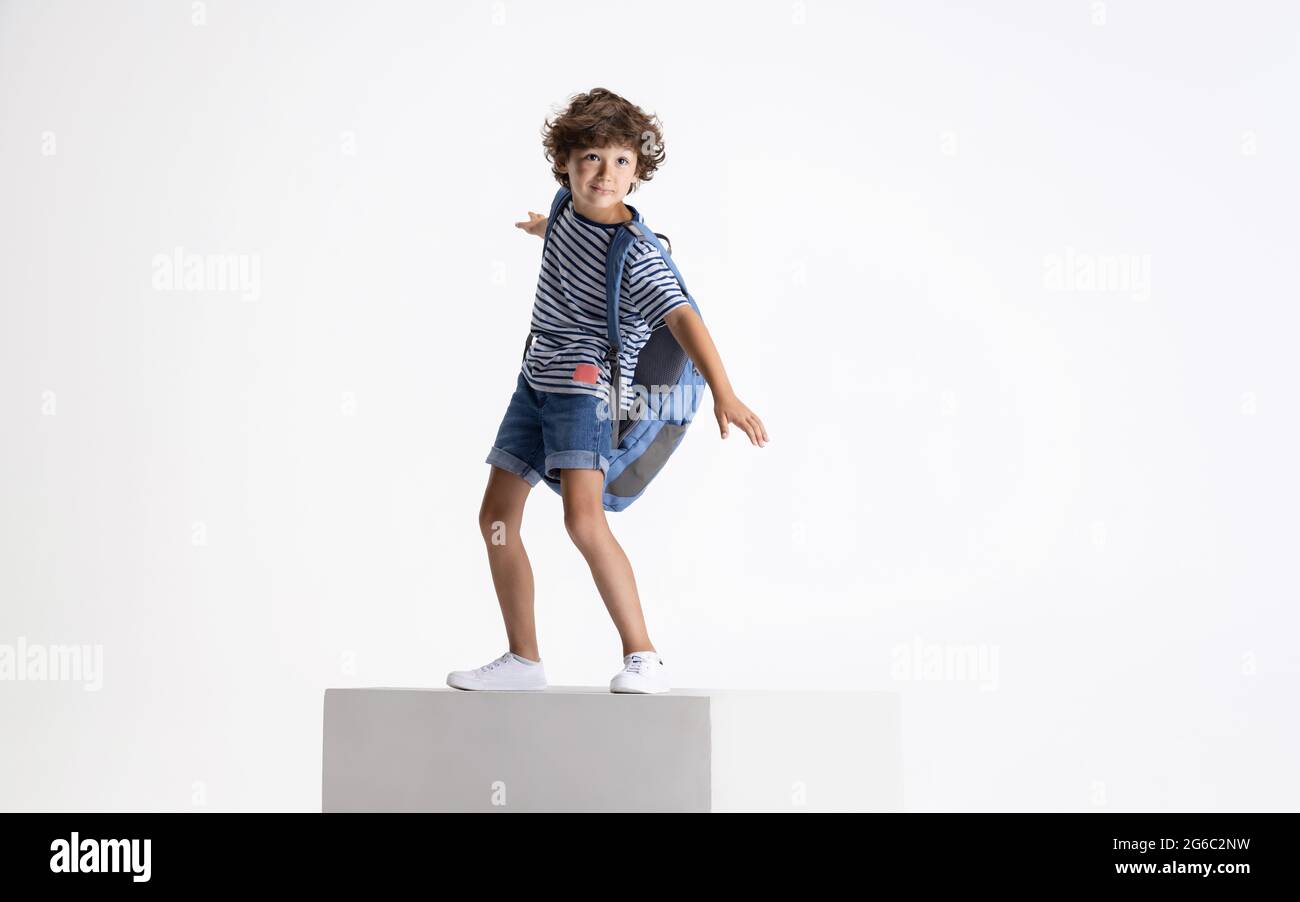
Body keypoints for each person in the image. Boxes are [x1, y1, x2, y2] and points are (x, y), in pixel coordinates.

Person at [447, 88, 768, 695]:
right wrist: (545, 227)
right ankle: (524, 660)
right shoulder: (566, 208)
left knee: (584, 521)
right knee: (495, 517)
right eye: (590, 158)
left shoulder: (639, 257)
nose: (604, 174)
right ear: (564, 164)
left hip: (583, 393)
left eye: (621, 160)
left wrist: (726, 392)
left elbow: (683, 318)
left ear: (639, 169)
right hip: (534, 382)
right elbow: (568, 236)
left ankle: (644, 654)